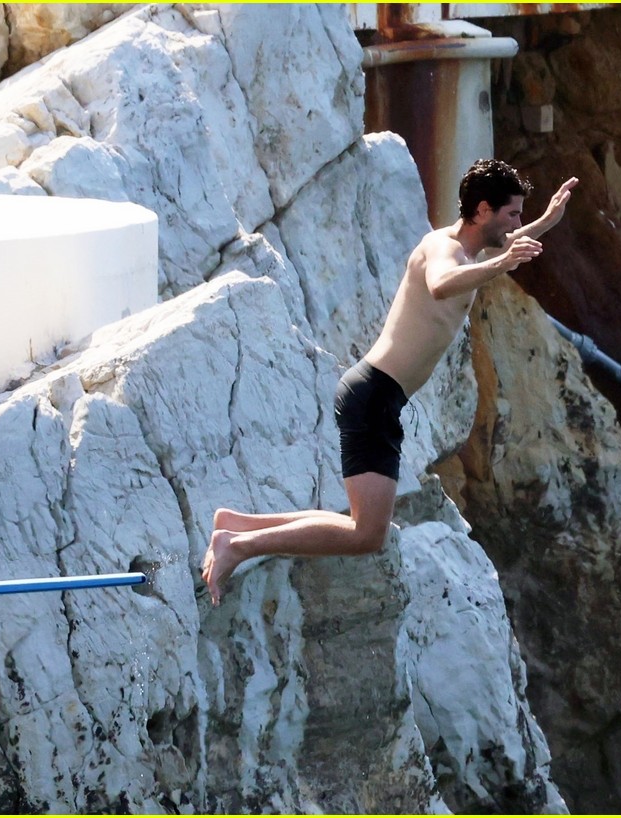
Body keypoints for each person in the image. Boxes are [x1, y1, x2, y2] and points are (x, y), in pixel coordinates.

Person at [201, 160, 578, 605]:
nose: (516, 225)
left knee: (364, 526)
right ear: (481, 211)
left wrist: (544, 223)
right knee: (366, 533)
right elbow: (441, 285)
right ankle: (237, 546)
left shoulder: (462, 246)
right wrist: (504, 263)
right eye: (511, 214)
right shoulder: (446, 254)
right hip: (372, 397)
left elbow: (497, 246)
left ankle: (238, 525)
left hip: (379, 397)